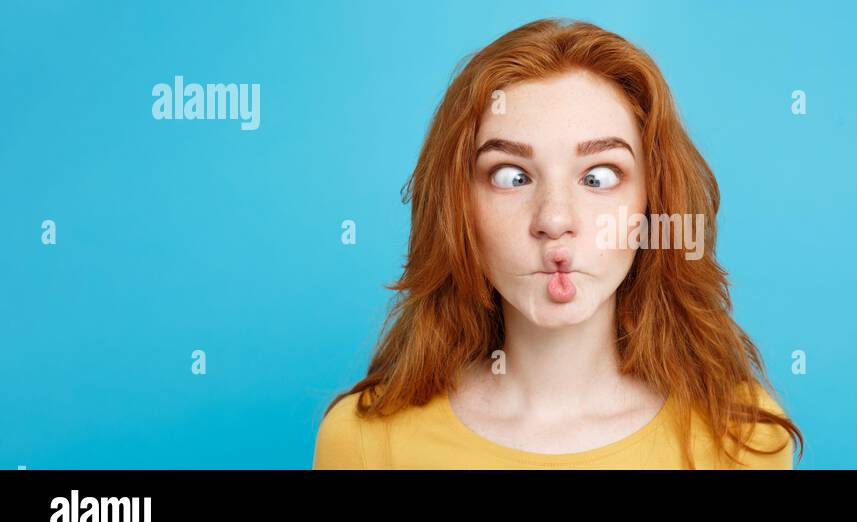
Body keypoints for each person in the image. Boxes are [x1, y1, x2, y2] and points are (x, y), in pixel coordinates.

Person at [313, 18, 802, 469]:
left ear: (652, 205)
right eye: (511, 176)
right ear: (459, 208)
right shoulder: (363, 440)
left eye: (598, 176)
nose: (554, 219)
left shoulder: (742, 441)